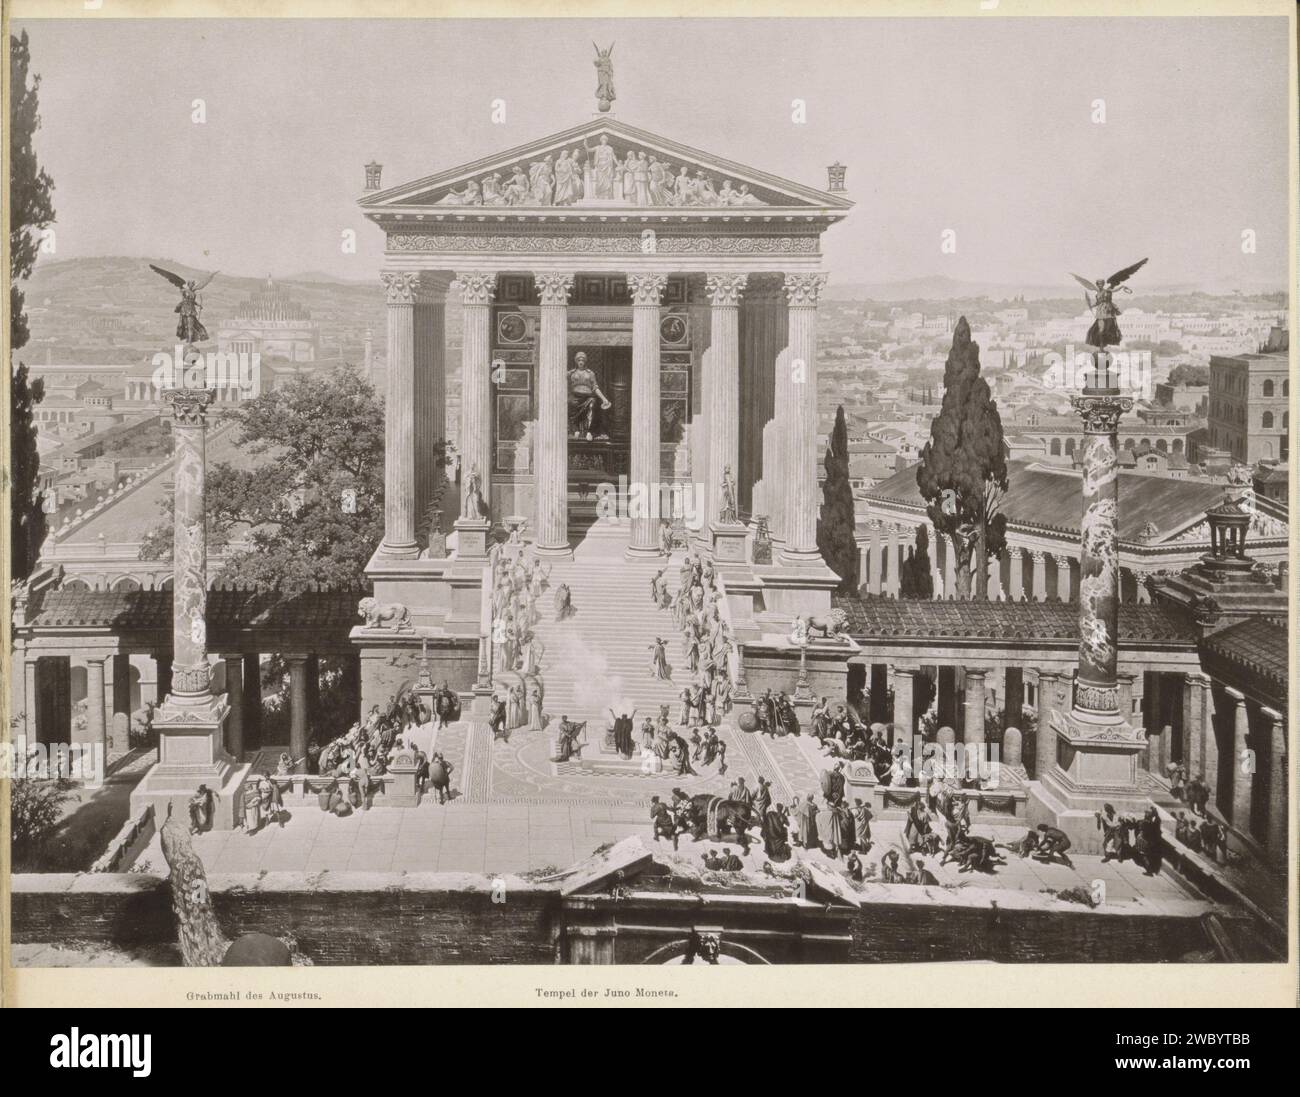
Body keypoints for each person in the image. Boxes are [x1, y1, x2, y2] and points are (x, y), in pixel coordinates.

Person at [1133, 806, 1163, 876]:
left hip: (1146, 842)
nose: (1145, 814)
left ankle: (1149, 871)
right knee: (1146, 856)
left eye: (1146, 813)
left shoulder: (1147, 823)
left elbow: (1144, 831)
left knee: (1144, 856)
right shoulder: (1154, 822)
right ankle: (1151, 869)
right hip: (1150, 842)